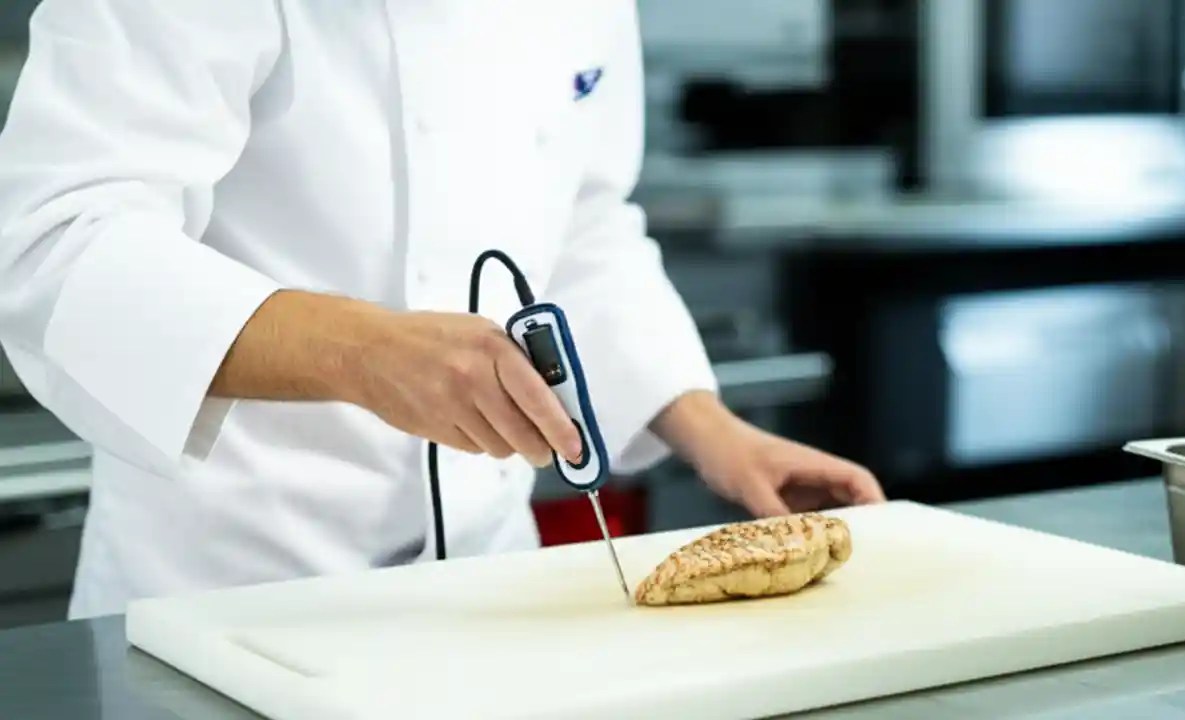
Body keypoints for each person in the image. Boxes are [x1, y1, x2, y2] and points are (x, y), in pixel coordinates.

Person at [0, 0, 884, 620]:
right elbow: (57, 245)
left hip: (493, 590)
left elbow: (581, 236)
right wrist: (362, 351)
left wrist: (714, 434)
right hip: (230, 590)